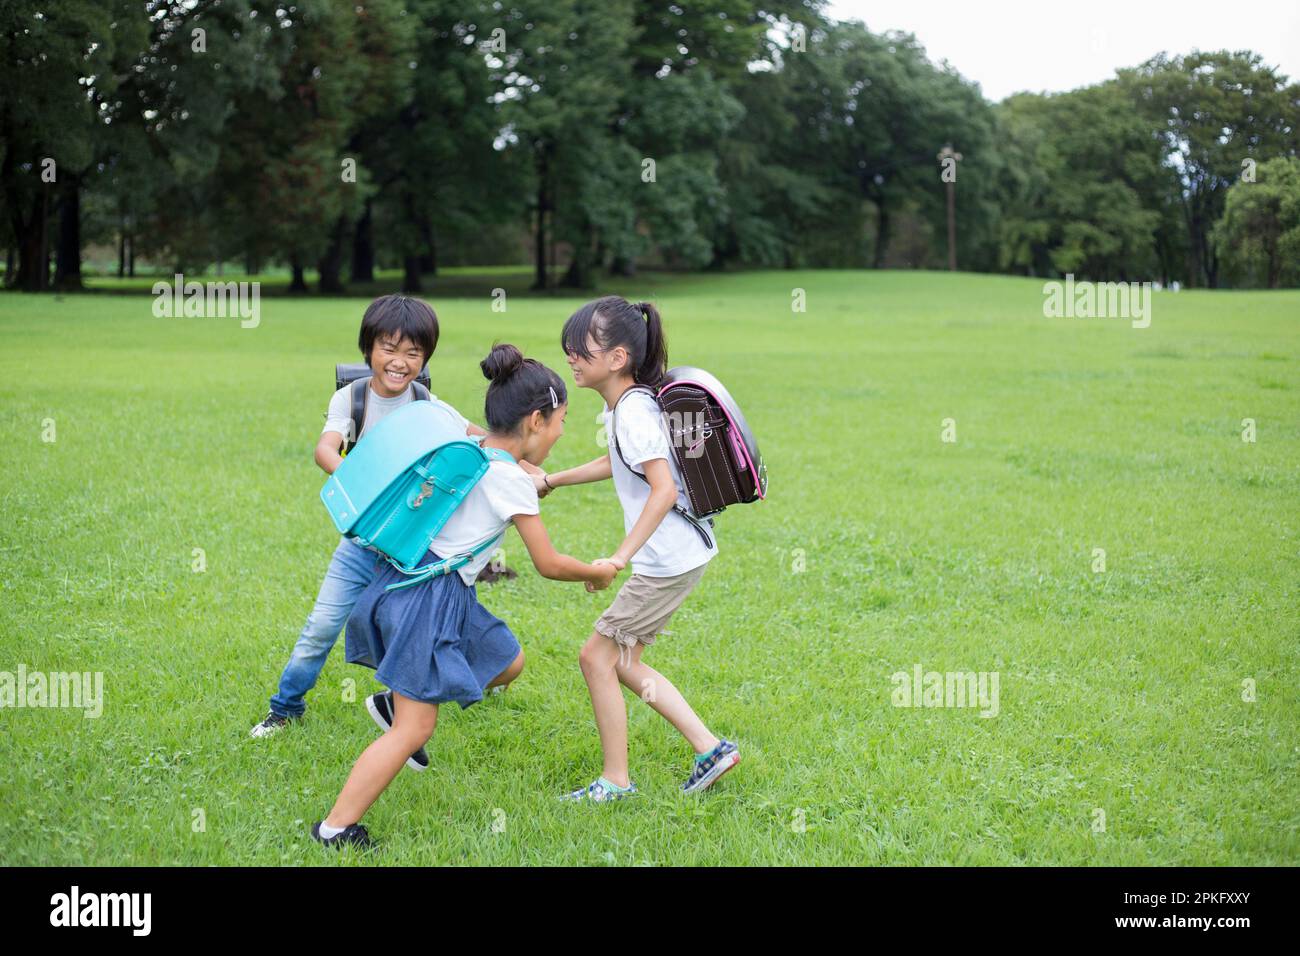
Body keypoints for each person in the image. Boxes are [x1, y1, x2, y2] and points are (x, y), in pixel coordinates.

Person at [312, 344, 617, 848]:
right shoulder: (510, 482)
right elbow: (548, 563)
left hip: (408, 585)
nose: (562, 432)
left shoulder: (468, 451)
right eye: (562, 420)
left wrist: (528, 477)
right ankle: (336, 827)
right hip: (429, 602)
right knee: (414, 731)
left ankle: (396, 699)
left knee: (507, 659)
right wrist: (598, 572)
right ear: (537, 421)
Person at [537, 295, 739, 803]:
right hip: (679, 554)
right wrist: (553, 480)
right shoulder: (629, 407)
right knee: (622, 662)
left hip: (664, 561)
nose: (570, 357)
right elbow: (618, 461)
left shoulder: (632, 411)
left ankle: (616, 781)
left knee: (595, 657)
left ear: (617, 358)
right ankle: (710, 750)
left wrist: (618, 558)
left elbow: (663, 488)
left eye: (580, 348)